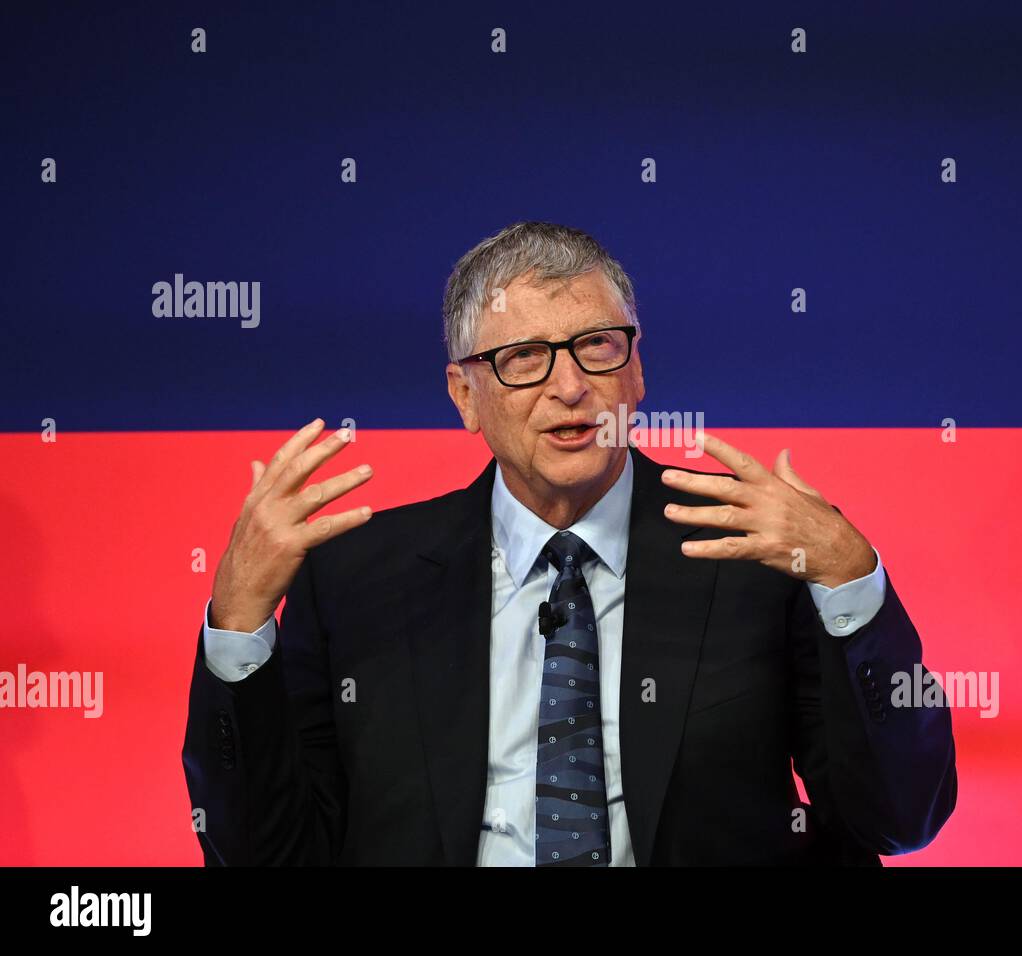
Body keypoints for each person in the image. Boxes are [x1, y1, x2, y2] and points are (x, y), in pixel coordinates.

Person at [182, 221, 957, 866]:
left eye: (597, 345)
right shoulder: (357, 578)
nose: (570, 385)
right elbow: (264, 856)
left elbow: (897, 819)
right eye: (524, 358)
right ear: (465, 396)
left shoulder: (753, 551)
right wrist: (240, 621)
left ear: (637, 368)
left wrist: (849, 580)